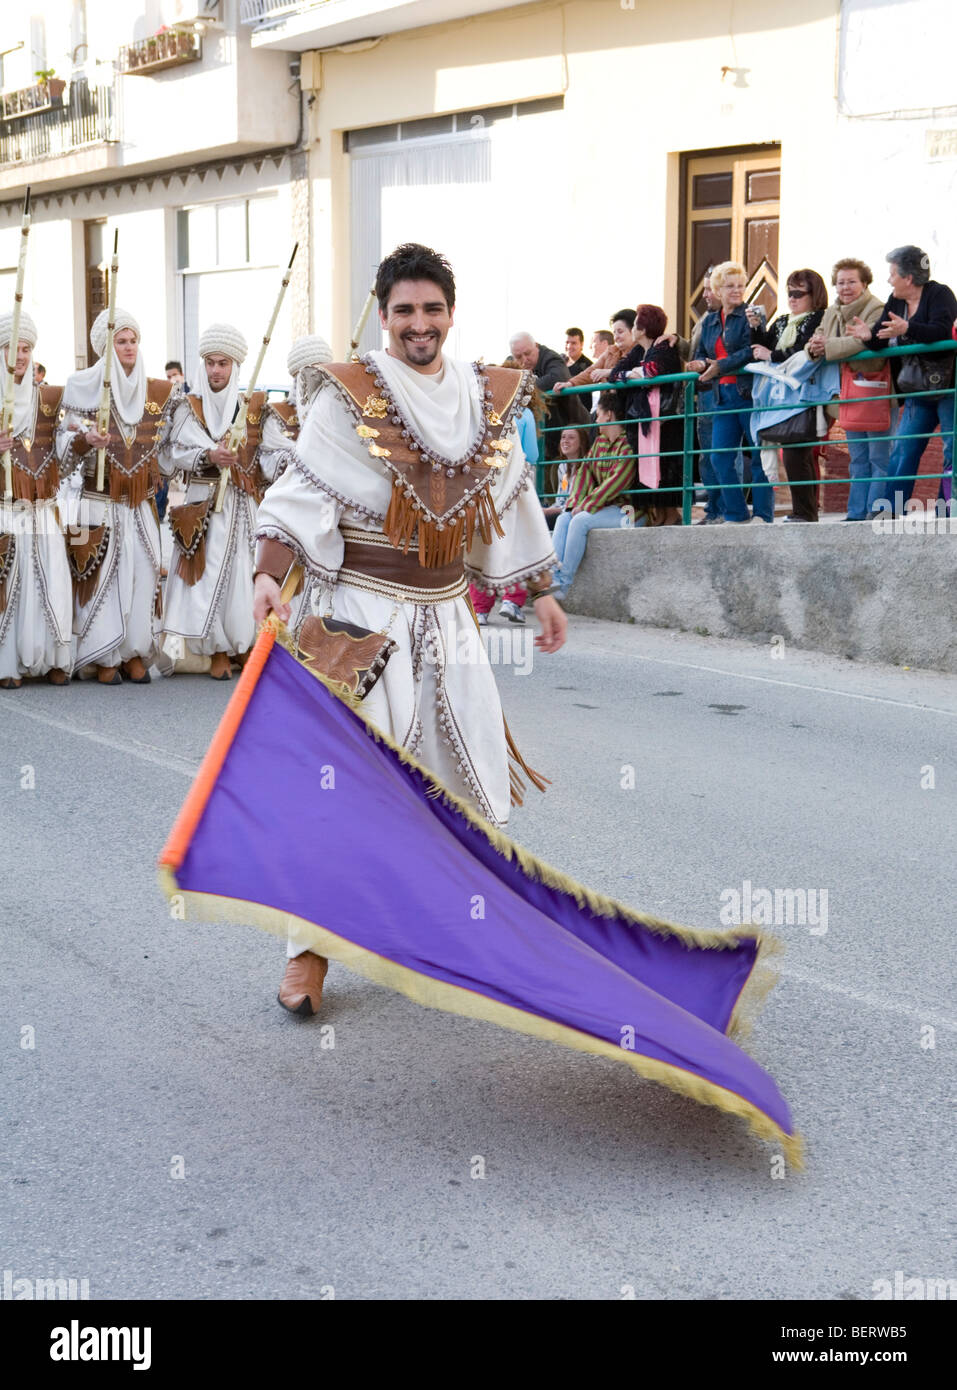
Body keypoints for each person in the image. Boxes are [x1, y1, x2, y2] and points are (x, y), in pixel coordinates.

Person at [252, 242, 565, 1015]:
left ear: (450, 314)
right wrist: (268, 573)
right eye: (403, 311)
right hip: (360, 612)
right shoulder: (346, 395)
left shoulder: (488, 396)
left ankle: (455, 938)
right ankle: (308, 955)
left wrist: (543, 591)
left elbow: (510, 503)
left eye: (431, 309)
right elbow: (302, 492)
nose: (418, 324)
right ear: (383, 315)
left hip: (449, 616)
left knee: (461, 779)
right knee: (343, 787)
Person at [56, 309, 172, 684]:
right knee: (103, 575)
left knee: (142, 571)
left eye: (133, 340)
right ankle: (103, 656)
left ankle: (133, 652)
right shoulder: (80, 385)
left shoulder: (156, 390)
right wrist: (85, 439)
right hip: (98, 496)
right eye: (121, 341)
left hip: (139, 501)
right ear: (106, 348)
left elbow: (166, 448)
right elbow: (63, 442)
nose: (129, 347)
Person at [160, 324, 264, 680]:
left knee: (242, 575)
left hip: (241, 506)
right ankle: (215, 649)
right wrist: (208, 455)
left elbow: (266, 458)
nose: (216, 371)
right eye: (210, 363)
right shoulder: (188, 408)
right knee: (201, 579)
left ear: (234, 367)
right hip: (201, 505)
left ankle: (242, 644)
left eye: (223, 364)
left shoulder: (251, 408)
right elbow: (174, 453)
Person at [848, 245, 957, 514]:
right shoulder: (895, 301)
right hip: (916, 387)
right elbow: (881, 339)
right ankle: (891, 508)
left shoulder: (940, 294)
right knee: (903, 449)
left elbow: (942, 331)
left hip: (949, 384)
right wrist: (867, 337)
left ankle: (948, 509)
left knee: (952, 448)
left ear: (908, 277)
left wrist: (908, 328)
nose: (888, 279)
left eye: (892, 273)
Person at [0, 312, 73, 688]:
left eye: (26, 348)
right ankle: (8, 662)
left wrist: (79, 439)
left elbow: (64, 449)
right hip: (5, 508)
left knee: (52, 578)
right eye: (13, 348)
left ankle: (53, 659)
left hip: (44, 506)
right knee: (12, 580)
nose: (21, 356)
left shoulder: (51, 398)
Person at [689, 261, 773, 524]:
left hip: (748, 393)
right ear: (718, 289)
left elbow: (753, 348)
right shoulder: (710, 320)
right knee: (720, 458)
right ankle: (736, 514)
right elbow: (704, 351)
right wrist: (701, 363)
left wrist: (719, 366)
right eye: (730, 286)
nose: (737, 290)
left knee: (759, 456)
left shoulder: (752, 313)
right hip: (721, 395)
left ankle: (762, 514)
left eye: (740, 285)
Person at [807, 258, 888, 521]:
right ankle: (855, 514)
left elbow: (865, 342)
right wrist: (814, 347)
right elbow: (817, 337)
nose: (845, 287)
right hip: (845, 394)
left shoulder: (877, 308)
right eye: (840, 282)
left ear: (864, 283)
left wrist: (827, 346)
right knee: (858, 459)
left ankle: (877, 513)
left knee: (879, 458)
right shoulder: (831, 312)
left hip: (874, 391)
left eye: (852, 281)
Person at [748, 269, 828, 522]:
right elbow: (765, 347)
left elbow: (802, 350)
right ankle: (803, 512)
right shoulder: (782, 320)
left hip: (805, 393)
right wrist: (757, 328)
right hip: (778, 398)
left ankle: (805, 512)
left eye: (798, 293)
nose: (792, 299)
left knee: (798, 455)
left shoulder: (819, 317)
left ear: (814, 295)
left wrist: (771, 356)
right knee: (791, 454)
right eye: (789, 293)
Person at [552, 391, 636, 600]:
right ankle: (551, 578)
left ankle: (563, 585)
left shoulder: (628, 445)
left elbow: (616, 482)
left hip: (628, 511)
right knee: (565, 517)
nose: (596, 419)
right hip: (602, 508)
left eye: (598, 414)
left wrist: (587, 504)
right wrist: (575, 503)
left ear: (609, 415)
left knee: (580, 520)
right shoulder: (599, 443)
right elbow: (584, 473)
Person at [612, 304, 684, 524]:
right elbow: (616, 373)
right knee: (646, 473)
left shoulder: (664, 348)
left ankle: (671, 518)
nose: (633, 328)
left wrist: (634, 374)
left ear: (642, 329)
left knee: (665, 473)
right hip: (644, 421)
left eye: (634, 325)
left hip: (665, 423)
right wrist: (632, 373)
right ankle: (660, 519)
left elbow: (652, 371)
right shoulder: (638, 351)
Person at [508, 332, 587, 495]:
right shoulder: (513, 363)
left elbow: (557, 377)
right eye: (518, 357)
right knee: (548, 481)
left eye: (528, 353)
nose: (524, 360)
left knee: (564, 481)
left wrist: (523, 384)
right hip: (548, 438)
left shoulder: (551, 358)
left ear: (536, 346)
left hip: (571, 429)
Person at [542, 425, 591, 527]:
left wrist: (548, 511)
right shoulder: (562, 467)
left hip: (576, 512)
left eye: (571, 437)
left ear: (581, 443)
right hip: (563, 511)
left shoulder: (586, 466)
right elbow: (561, 499)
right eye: (563, 437)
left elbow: (575, 504)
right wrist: (547, 510)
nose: (565, 441)